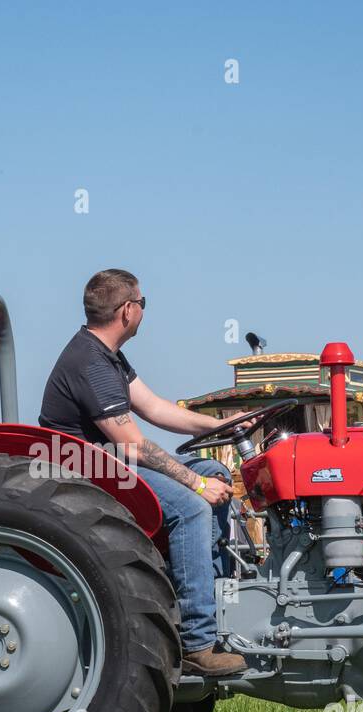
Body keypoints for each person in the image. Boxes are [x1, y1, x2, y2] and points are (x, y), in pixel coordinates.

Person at [39, 269, 251, 677]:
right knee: (191, 506)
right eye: (143, 303)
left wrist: (222, 425)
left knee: (213, 470)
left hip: (108, 463)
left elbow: (154, 408)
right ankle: (197, 641)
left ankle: (216, 604)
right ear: (127, 310)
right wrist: (195, 484)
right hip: (86, 474)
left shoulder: (108, 356)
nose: (143, 310)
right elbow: (133, 445)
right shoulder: (90, 363)